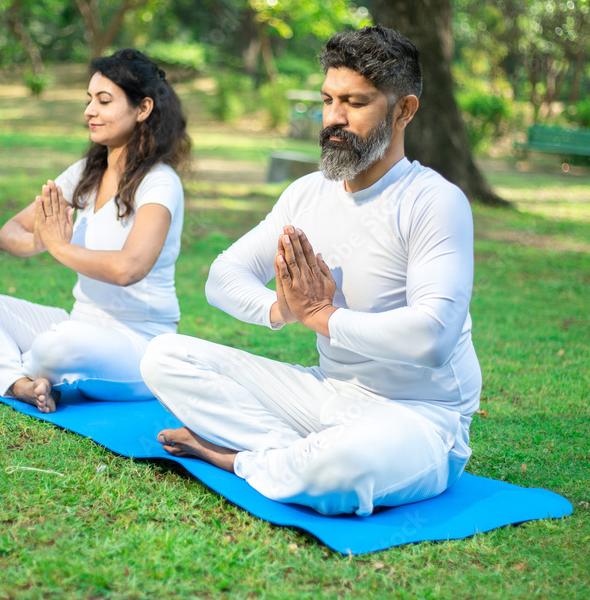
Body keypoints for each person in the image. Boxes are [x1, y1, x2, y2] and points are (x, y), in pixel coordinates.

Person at [140, 26, 482, 516]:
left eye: (356, 103)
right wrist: (282, 309)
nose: (334, 119)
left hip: (419, 416)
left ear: (404, 110)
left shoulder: (434, 202)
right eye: (328, 100)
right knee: (163, 356)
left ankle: (237, 457)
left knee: (343, 471)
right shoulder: (307, 193)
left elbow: (433, 341)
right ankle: (289, 457)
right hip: (324, 395)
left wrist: (321, 316)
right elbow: (222, 277)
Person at [0, 49, 190, 414]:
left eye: (104, 101)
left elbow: (128, 269)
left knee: (57, 345)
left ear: (143, 109)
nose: (90, 110)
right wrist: (40, 240)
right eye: (89, 100)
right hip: (78, 322)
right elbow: (8, 232)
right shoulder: (85, 173)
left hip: (139, 344)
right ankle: (20, 381)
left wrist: (58, 246)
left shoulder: (160, 184)